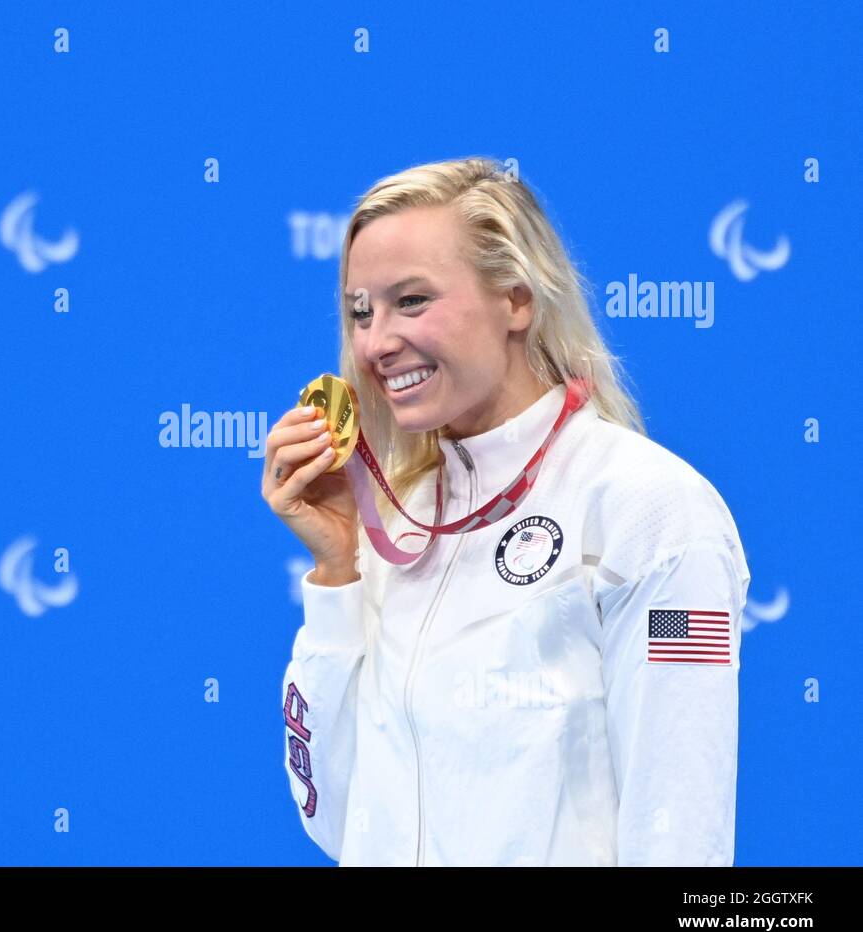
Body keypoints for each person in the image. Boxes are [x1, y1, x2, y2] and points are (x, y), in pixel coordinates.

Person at [262, 158, 751, 866]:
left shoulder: (652, 512)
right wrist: (337, 571)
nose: (375, 342)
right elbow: (338, 821)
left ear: (516, 299)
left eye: (413, 300)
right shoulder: (397, 524)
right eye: (361, 310)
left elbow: (681, 830)